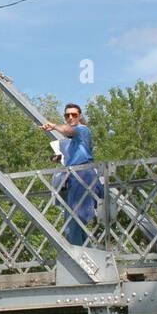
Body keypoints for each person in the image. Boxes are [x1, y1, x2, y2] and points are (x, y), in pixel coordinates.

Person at [41, 103, 101, 246]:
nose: (70, 117)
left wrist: (54, 126)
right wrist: (59, 158)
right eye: (67, 115)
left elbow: (68, 131)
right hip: (73, 176)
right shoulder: (73, 141)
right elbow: (69, 156)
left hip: (83, 175)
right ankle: (86, 254)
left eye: (74, 114)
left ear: (80, 116)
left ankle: (78, 256)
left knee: (74, 219)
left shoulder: (82, 130)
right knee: (73, 221)